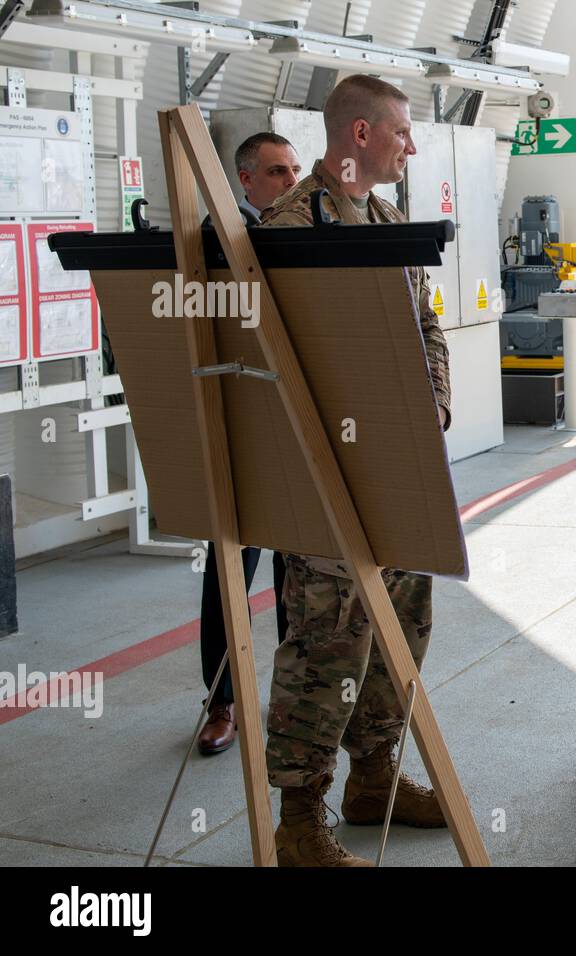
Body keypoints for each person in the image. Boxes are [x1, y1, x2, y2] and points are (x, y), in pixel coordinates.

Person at [258, 74, 452, 866]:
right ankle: (300, 816)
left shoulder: (388, 221)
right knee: (327, 640)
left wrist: (431, 407)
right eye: (402, 132)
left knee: (403, 622)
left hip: (394, 465)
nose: (411, 145)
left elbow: (427, 327)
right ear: (361, 136)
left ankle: (375, 778)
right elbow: (266, 355)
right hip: (323, 474)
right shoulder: (286, 227)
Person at [195, 132, 302, 756]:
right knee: (230, 571)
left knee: (300, 571)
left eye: (293, 170)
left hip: (299, 430)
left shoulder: (304, 231)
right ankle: (222, 702)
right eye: (276, 173)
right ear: (245, 182)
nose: (290, 182)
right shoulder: (221, 236)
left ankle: (293, 699)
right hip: (242, 432)